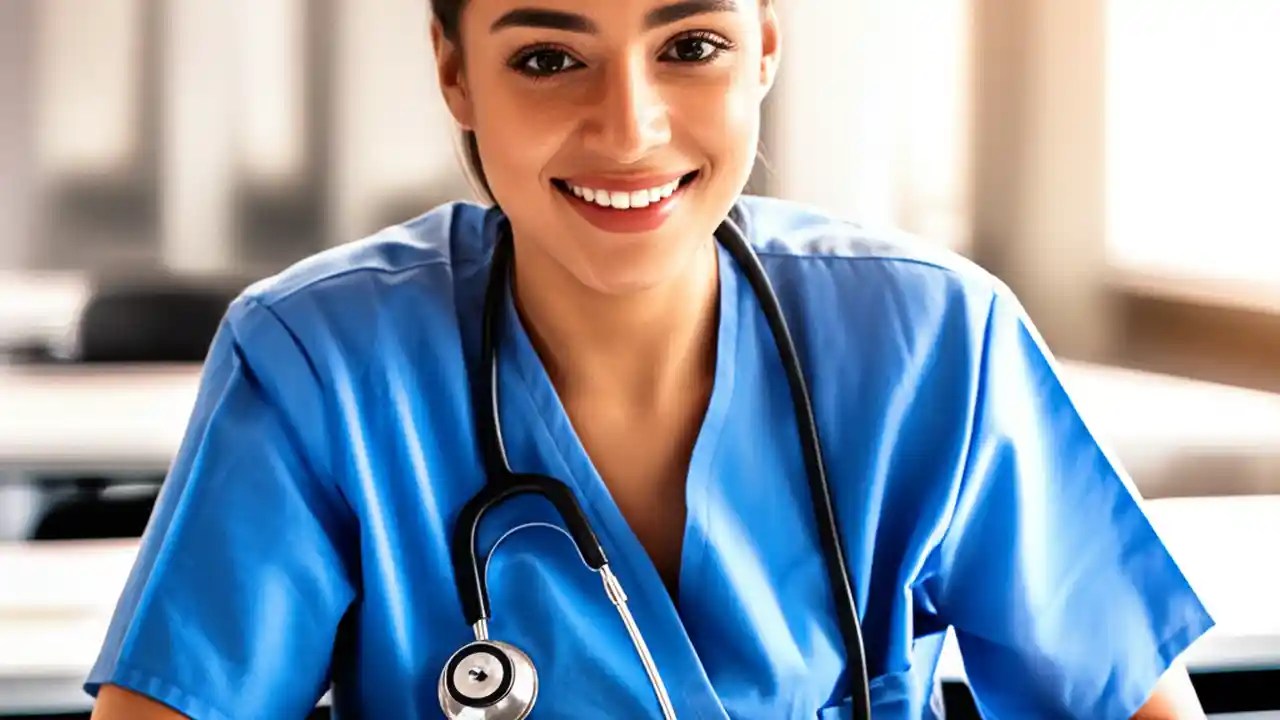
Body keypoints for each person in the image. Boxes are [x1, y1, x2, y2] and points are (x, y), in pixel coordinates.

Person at [88, 1, 1214, 718]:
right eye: (546, 56)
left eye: (690, 47)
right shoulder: (320, 364)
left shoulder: (933, 344)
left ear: (763, 47)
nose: (627, 128)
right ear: (454, 74)